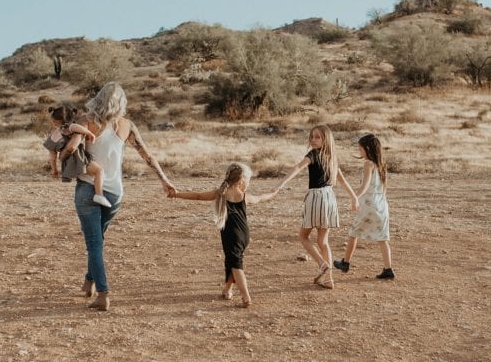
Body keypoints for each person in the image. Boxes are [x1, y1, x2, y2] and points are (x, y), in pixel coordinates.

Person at [67, 82, 175, 311]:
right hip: (115, 193)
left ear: (98, 98)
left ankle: (103, 294)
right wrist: (164, 180)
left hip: (88, 189)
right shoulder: (127, 125)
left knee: (94, 243)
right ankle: (89, 282)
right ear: (123, 102)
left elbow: (68, 146)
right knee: (97, 239)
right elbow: (147, 155)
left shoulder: (86, 121)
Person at [169, 162, 278, 308]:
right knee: (231, 262)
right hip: (244, 234)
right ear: (241, 181)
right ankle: (227, 290)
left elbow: (198, 196)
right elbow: (260, 198)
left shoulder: (220, 194)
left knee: (236, 265)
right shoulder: (244, 196)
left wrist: (176, 194)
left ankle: (246, 296)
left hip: (231, 236)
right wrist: (273, 193)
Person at [273, 124, 358, 289]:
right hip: (329, 198)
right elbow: (342, 180)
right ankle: (329, 279)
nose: (313, 140)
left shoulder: (313, 155)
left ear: (326, 139)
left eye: (317, 137)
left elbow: (298, 167)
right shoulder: (332, 157)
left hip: (316, 198)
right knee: (323, 241)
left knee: (303, 237)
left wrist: (280, 184)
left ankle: (322, 263)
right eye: (312, 137)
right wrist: (354, 197)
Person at [334, 133, 395, 279]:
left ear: (367, 148)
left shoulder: (368, 164)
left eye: (360, 149)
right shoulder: (382, 164)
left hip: (369, 205)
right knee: (383, 238)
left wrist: (354, 197)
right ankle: (388, 269)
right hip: (381, 205)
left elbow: (365, 185)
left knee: (353, 233)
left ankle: (345, 263)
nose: (359, 152)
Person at [43, 104, 111, 207]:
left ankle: (91, 194)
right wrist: (90, 134)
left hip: (67, 164)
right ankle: (99, 195)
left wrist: (54, 170)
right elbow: (78, 127)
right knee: (99, 171)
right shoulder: (69, 127)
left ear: (54, 120)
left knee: (87, 177)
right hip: (78, 159)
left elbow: (52, 157)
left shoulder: (52, 135)